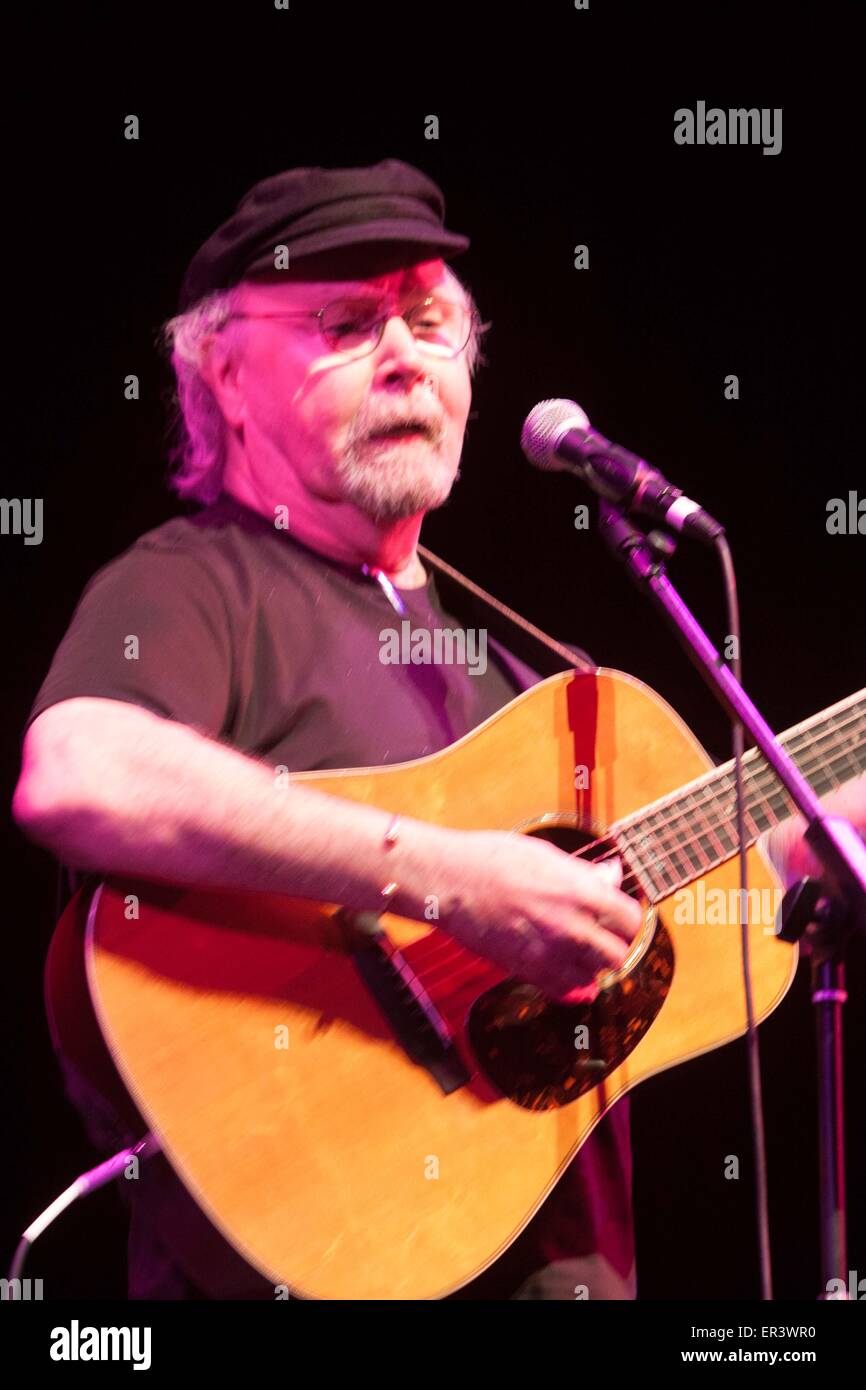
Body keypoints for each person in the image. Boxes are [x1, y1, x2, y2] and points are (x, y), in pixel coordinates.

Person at [13, 159, 864, 1301]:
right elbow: (80, 773)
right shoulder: (196, 584)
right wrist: (452, 882)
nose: (405, 353)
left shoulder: (531, 676)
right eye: (346, 323)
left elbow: (737, 910)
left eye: (426, 320)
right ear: (222, 373)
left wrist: (819, 840)